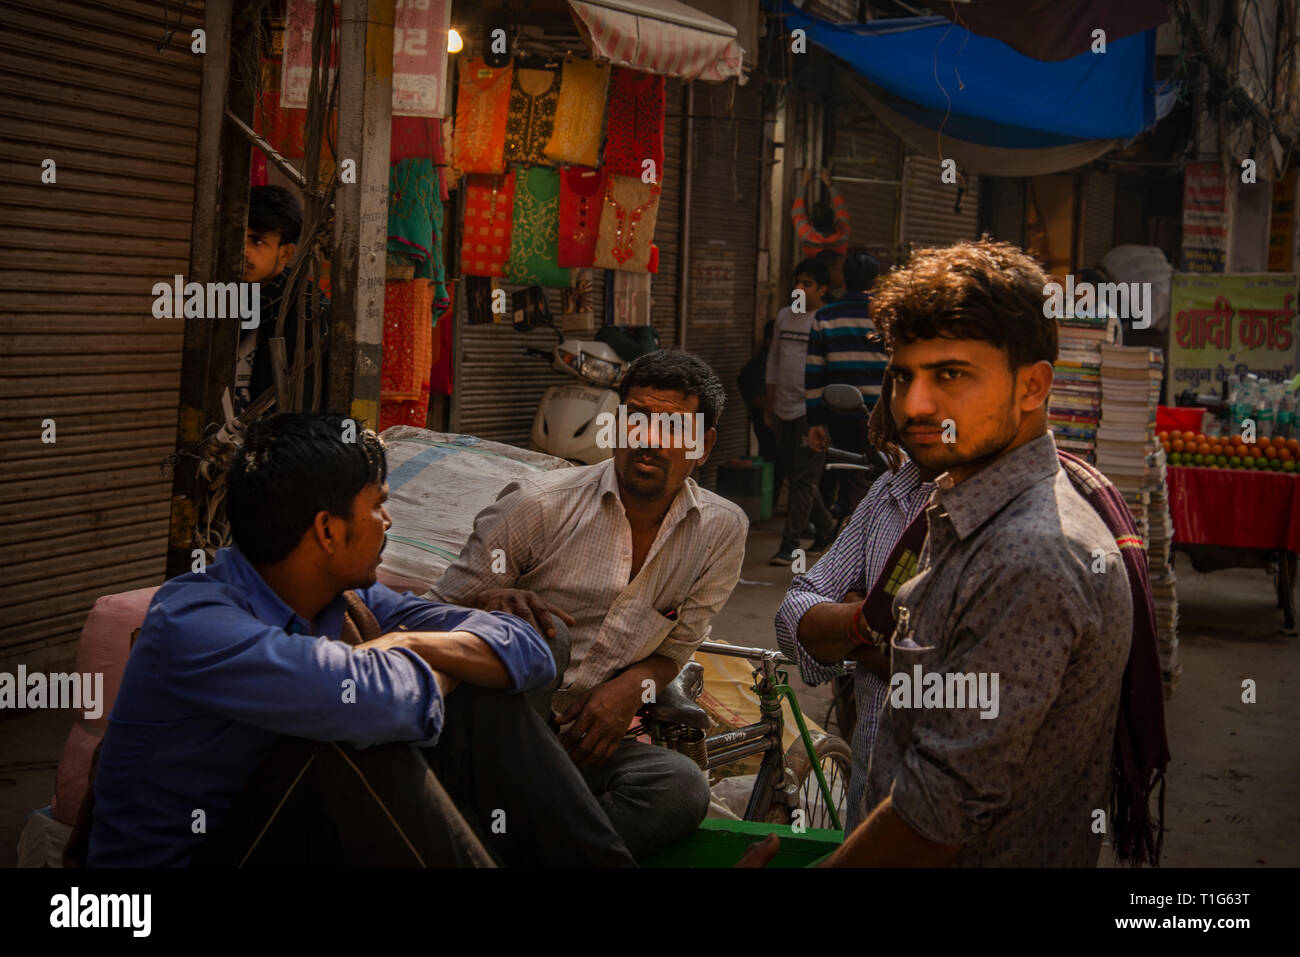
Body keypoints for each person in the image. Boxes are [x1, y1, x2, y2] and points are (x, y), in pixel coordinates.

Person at [86, 412, 636, 867]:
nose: (389, 521)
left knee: (478, 694)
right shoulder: (194, 621)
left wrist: (414, 646)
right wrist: (425, 660)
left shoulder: (346, 598)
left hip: (293, 839)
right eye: (377, 505)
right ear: (328, 530)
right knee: (353, 746)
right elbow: (373, 703)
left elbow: (531, 647)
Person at [776, 240, 1163, 867]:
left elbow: (936, 814)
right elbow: (799, 614)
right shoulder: (958, 510)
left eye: (951, 375)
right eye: (904, 376)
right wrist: (855, 630)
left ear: (1033, 385)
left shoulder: (1031, 555)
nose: (915, 406)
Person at [428, 350, 747, 862]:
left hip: (582, 744)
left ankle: (521, 844)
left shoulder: (721, 530)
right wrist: (486, 603)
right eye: (636, 419)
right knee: (544, 632)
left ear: (703, 445)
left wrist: (627, 691)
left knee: (680, 787)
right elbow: (427, 620)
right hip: (498, 735)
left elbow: (675, 651)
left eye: (672, 427)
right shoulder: (538, 505)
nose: (648, 440)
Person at [235, 185, 331, 415]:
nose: (244, 251)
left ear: (285, 253)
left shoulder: (309, 311)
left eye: (257, 242)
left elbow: (308, 401)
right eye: (241, 238)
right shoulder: (226, 299)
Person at [807, 247, 888, 518]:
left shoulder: (826, 316)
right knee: (877, 476)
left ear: (844, 279)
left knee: (852, 476)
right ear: (875, 279)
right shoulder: (887, 315)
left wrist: (816, 420)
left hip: (840, 414)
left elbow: (814, 373)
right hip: (884, 414)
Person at [767, 259, 836, 565]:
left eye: (807, 283)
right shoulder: (784, 317)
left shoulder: (825, 320)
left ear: (822, 289)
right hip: (783, 407)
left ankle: (789, 542)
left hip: (811, 410)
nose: (799, 288)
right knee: (798, 477)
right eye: (797, 281)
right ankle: (826, 527)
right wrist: (770, 403)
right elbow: (773, 360)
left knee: (804, 478)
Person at [737, 319, 782, 493]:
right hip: (767, 425)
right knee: (775, 463)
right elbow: (756, 398)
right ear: (770, 340)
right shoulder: (758, 365)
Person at [792, 168, 850, 259]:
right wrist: (829, 184)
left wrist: (804, 182)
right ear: (834, 221)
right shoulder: (843, 236)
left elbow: (797, 212)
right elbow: (841, 209)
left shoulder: (806, 236)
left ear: (812, 223)